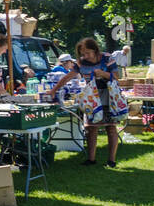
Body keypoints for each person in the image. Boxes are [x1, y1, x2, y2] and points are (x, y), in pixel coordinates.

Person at [53, 36, 124, 167]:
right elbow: (67, 77)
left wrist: (102, 73)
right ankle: (91, 159)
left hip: (109, 96)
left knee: (111, 128)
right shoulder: (80, 63)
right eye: (82, 54)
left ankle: (111, 160)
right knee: (90, 128)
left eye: (88, 53)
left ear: (95, 50)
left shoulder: (107, 58)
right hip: (91, 98)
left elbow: (116, 78)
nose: (85, 56)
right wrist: (54, 90)